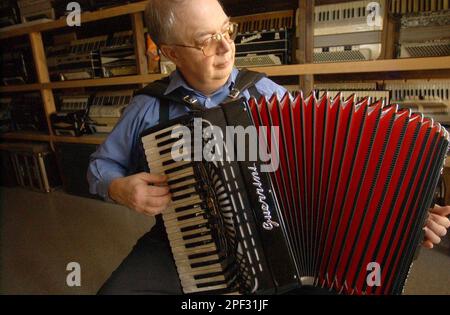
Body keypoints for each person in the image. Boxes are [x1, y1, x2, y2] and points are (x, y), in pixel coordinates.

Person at [87, 0, 450, 295]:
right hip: (186, 235)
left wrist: (409, 217)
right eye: (206, 39)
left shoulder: (267, 95)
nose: (226, 46)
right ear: (171, 53)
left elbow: (337, 176)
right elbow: (100, 167)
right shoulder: (148, 107)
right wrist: (119, 188)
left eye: (227, 29)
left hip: (281, 243)